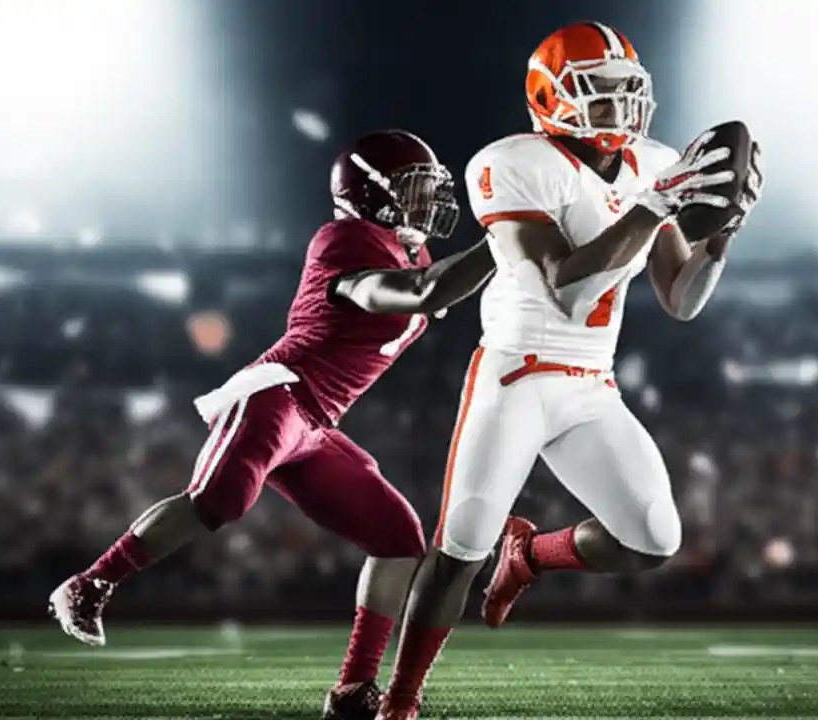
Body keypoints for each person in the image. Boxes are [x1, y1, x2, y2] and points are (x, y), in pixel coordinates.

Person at [361, 22, 763, 719]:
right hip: (515, 376)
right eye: (599, 96)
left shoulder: (652, 164)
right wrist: (653, 206)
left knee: (652, 538)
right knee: (461, 547)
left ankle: (534, 556)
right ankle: (400, 701)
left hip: (590, 386)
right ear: (551, 99)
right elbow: (568, 291)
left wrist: (722, 236)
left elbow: (680, 300)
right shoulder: (513, 163)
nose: (619, 111)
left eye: (625, 94)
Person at [48, 129, 496, 720]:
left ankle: (354, 691)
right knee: (220, 499)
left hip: (318, 423)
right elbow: (421, 293)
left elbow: (441, 285)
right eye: (414, 188)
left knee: (398, 538)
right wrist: (505, 242)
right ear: (373, 193)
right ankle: (89, 584)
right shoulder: (345, 238)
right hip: (280, 394)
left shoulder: (410, 250)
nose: (427, 202)